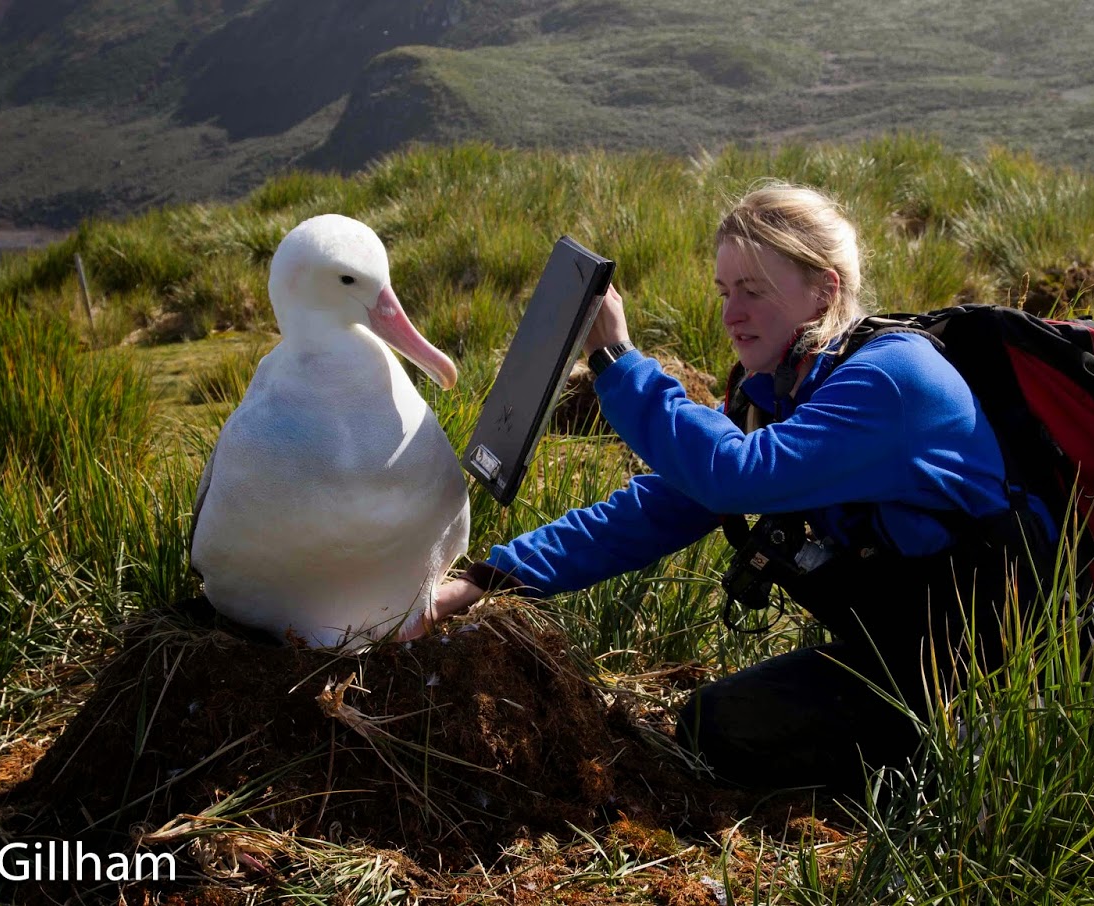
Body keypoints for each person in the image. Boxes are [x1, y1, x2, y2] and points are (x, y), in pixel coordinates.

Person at [409, 183, 1053, 796]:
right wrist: (491, 578)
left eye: (753, 290)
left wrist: (615, 361)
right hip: (905, 658)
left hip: (1006, 671)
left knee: (725, 734)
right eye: (724, 291)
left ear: (824, 291)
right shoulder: (778, 389)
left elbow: (733, 474)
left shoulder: (889, 380)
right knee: (712, 730)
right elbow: (665, 504)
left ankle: (978, 765)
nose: (730, 315)